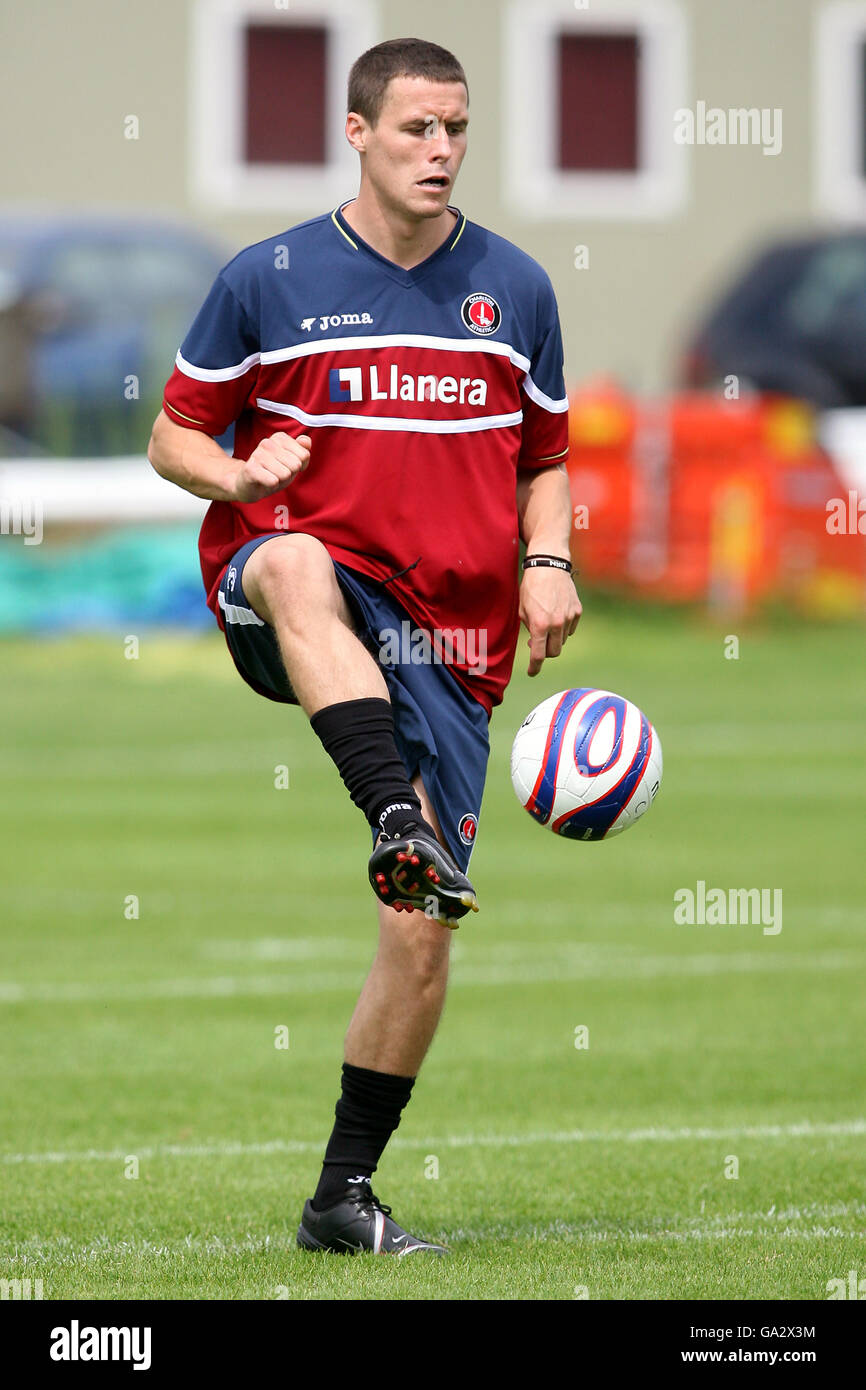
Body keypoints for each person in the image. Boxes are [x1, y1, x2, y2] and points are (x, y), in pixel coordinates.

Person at [148, 36, 580, 1257]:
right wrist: (241, 471)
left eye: (454, 129)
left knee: (420, 933)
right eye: (414, 129)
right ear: (355, 131)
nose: (438, 150)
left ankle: (342, 1198)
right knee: (288, 556)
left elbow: (544, 459)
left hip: (451, 636)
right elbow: (173, 438)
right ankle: (392, 815)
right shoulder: (267, 277)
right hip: (300, 590)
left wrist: (544, 559)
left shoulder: (517, 290)